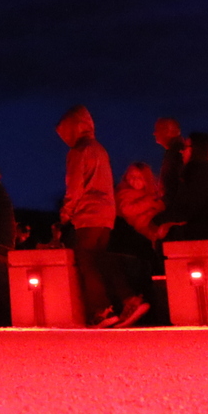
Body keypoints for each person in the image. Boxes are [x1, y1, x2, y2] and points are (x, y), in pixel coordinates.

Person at [57, 106, 148, 328]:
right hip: (106, 214)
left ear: (74, 128)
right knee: (101, 259)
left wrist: (66, 213)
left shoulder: (79, 151)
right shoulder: (100, 149)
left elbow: (75, 187)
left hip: (88, 214)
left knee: (87, 263)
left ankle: (101, 310)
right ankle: (128, 300)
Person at [115, 161, 165, 244]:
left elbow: (160, 207)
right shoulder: (125, 193)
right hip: (143, 226)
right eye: (132, 177)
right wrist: (148, 202)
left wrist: (158, 204)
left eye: (139, 177)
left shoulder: (149, 193)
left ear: (146, 180)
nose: (135, 180)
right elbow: (126, 210)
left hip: (153, 221)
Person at [153, 118, 187, 196]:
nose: (154, 133)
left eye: (157, 129)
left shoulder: (178, 153)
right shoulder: (173, 151)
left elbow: (175, 183)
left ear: (167, 131)